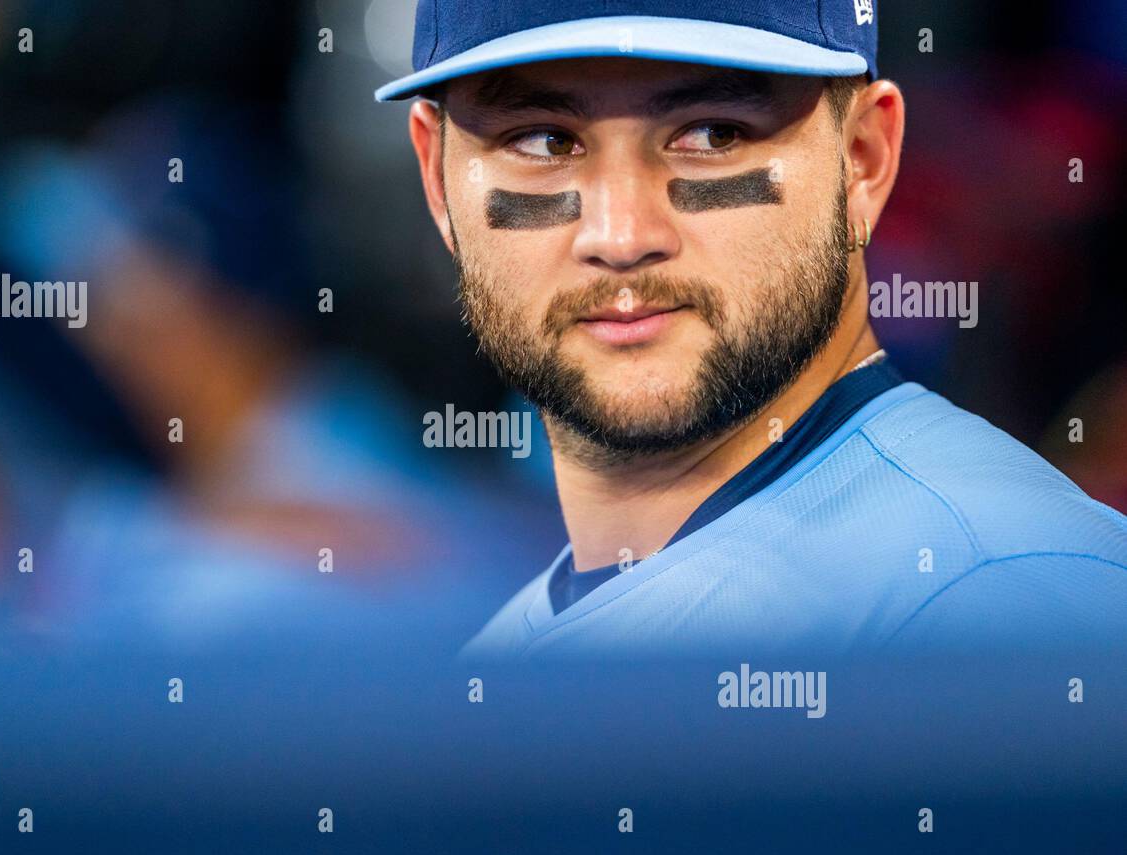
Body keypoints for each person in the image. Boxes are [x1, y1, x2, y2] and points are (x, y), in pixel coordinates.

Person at [376, 0, 1127, 657]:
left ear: (864, 159)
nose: (620, 234)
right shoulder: (509, 649)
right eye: (543, 142)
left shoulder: (1001, 597)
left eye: (713, 134)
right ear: (438, 178)